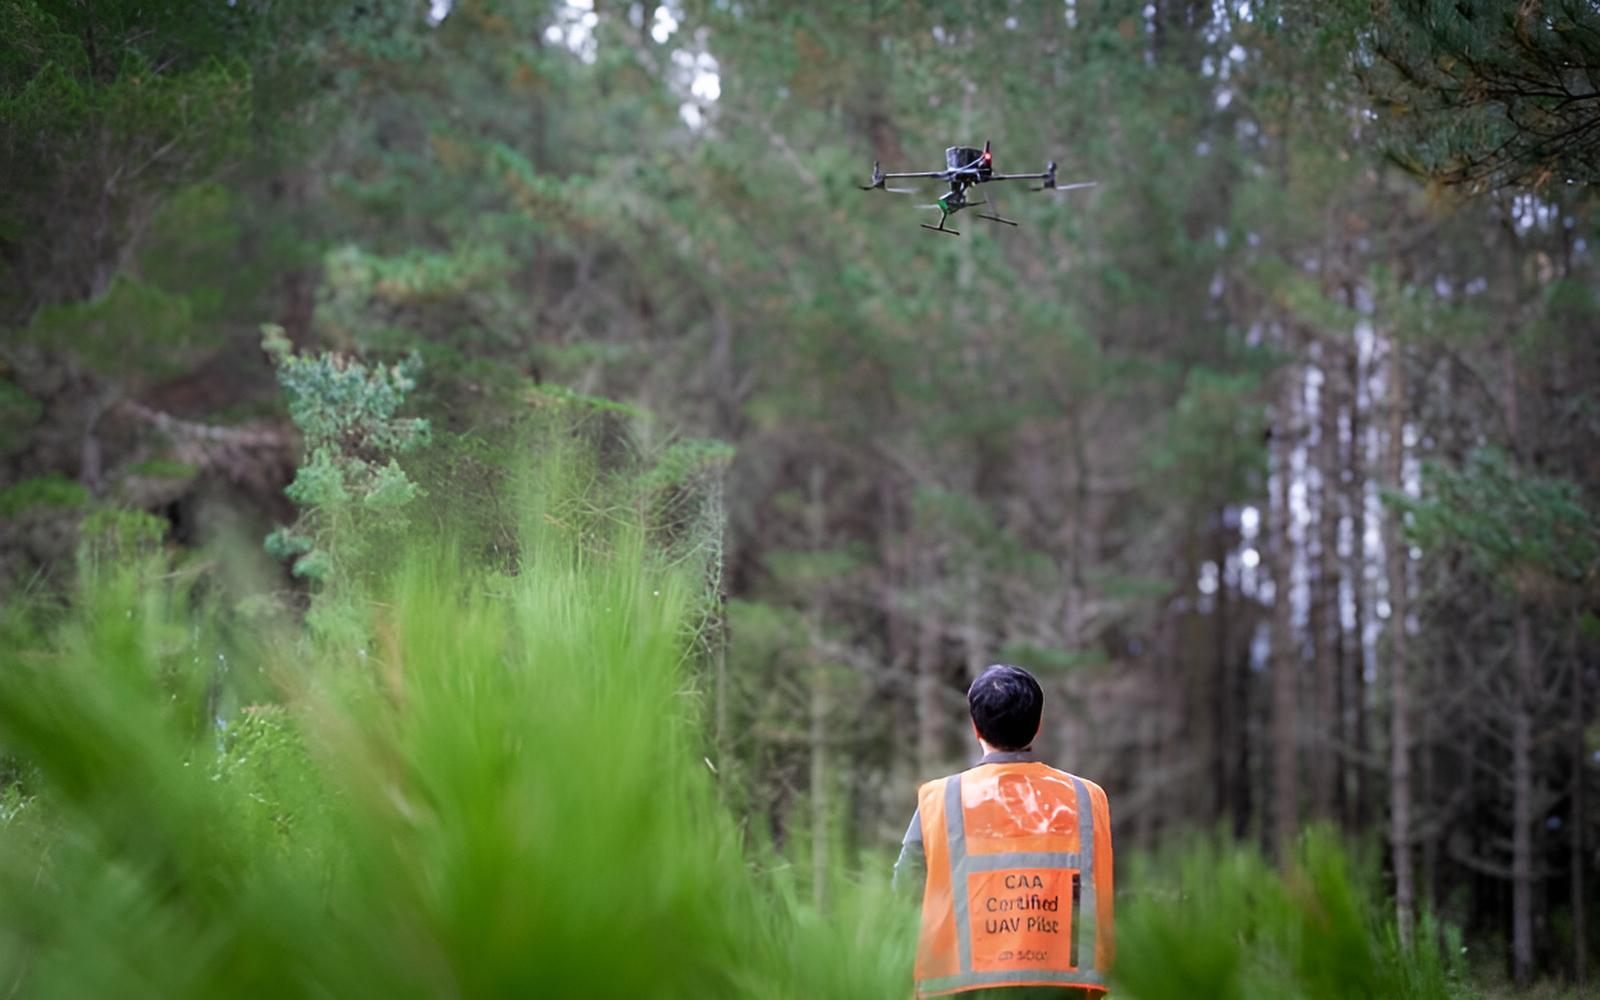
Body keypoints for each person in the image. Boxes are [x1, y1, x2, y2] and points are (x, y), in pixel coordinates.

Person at [894, 665, 1114, 999]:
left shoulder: (940, 799)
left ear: (975, 727)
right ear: (1038, 726)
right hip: (1061, 987)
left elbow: (904, 893)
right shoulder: (1086, 798)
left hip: (959, 988)